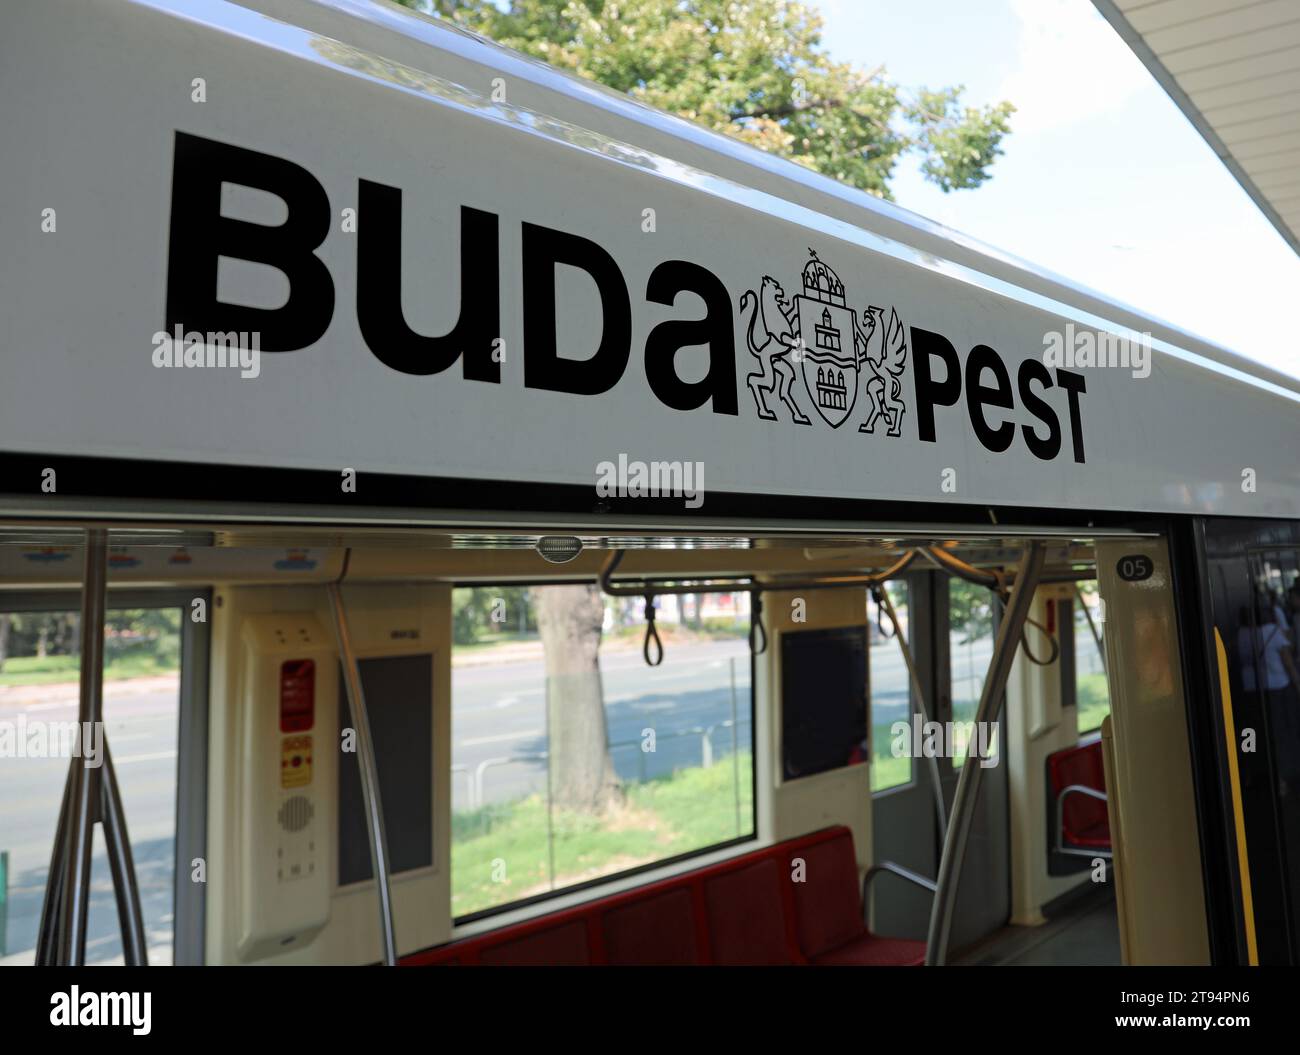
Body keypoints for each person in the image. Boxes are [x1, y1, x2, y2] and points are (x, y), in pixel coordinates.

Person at [1239, 598, 1300, 795]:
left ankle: (1250, 772)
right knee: (1280, 733)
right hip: (1278, 690)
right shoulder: (1273, 633)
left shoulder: (1242, 634)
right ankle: (1282, 778)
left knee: (1252, 731)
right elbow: (1289, 664)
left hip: (1250, 691)